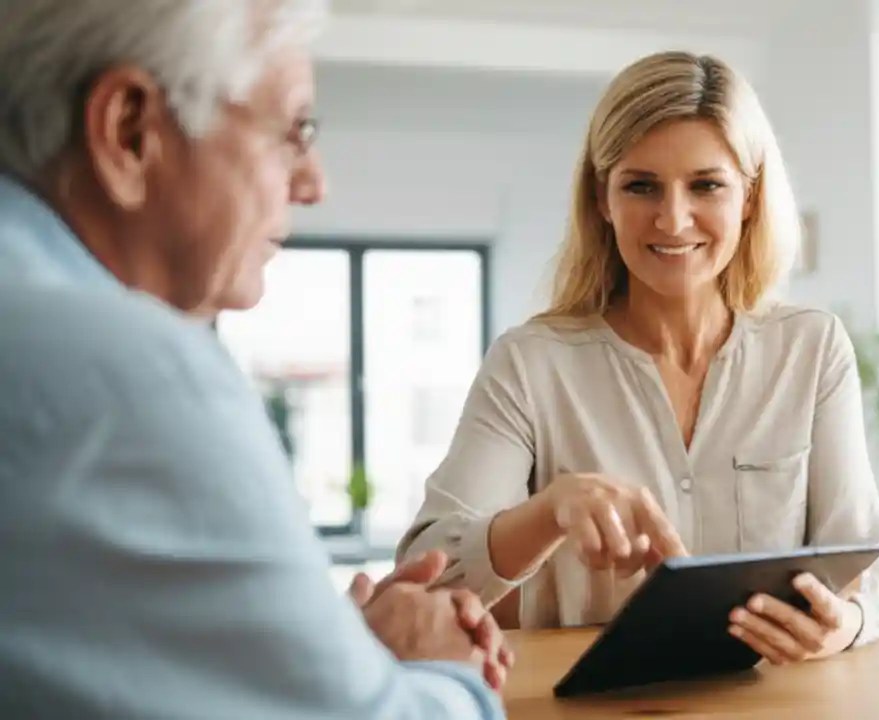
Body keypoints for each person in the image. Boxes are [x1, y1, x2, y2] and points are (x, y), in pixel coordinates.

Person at [0, 1, 510, 717]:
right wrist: (440, 668)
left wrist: (315, 656)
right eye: (295, 132)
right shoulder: (130, 374)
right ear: (130, 131)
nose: (314, 184)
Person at [397, 50, 879, 664]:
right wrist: (548, 512)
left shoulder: (812, 350)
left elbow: (867, 576)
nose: (673, 219)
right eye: (641, 186)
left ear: (749, 196)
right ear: (601, 199)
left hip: (777, 700)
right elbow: (427, 579)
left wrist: (843, 624)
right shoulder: (529, 365)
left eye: (706, 185)